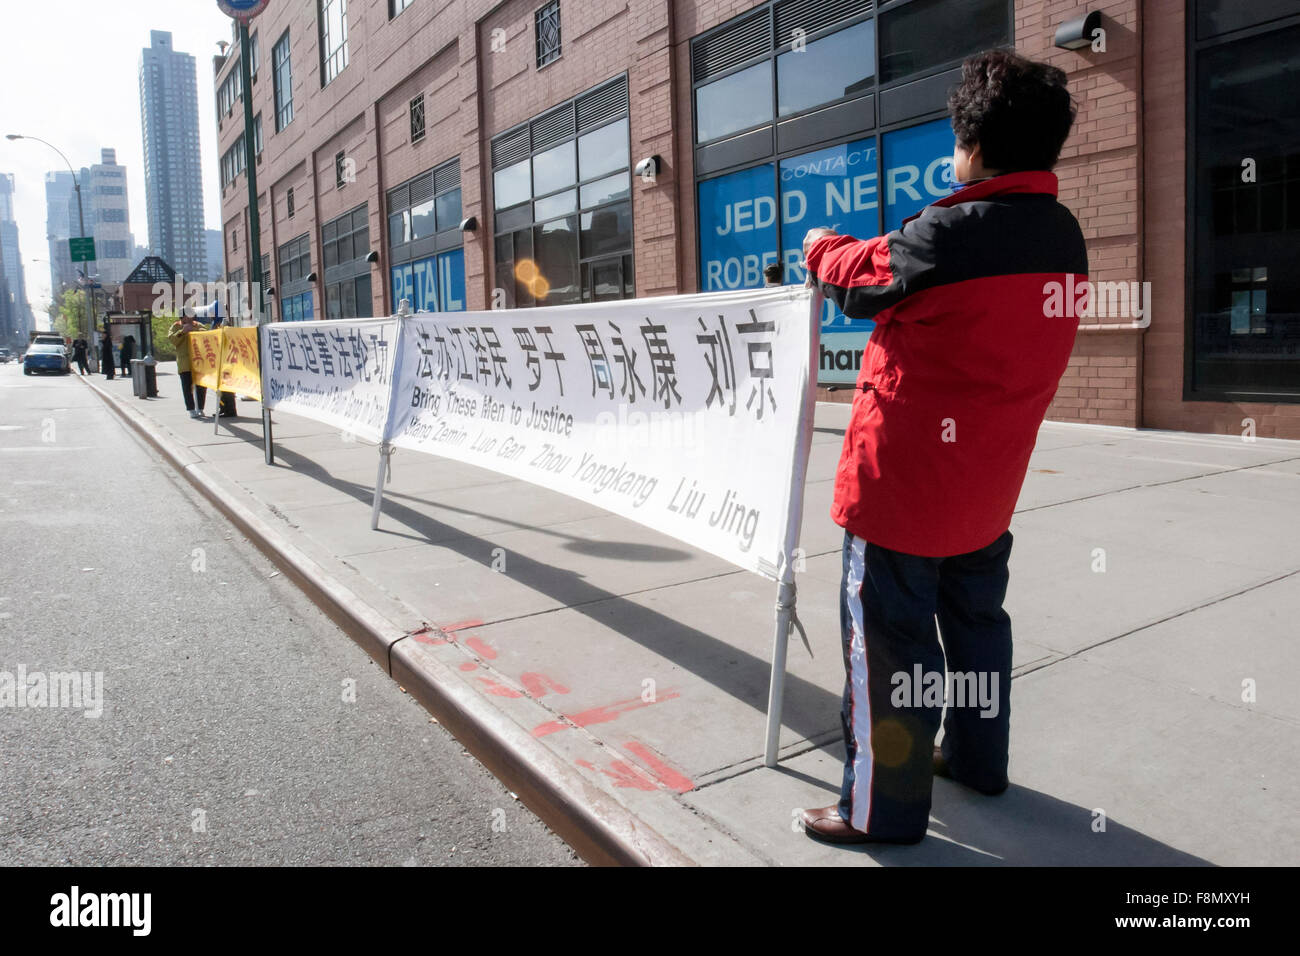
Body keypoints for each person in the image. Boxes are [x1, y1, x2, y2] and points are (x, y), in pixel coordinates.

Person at [798, 50, 1087, 845]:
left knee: (889, 650)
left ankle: (879, 813)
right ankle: (978, 760)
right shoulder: (1065, 238)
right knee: (977, 629)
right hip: (987, 487)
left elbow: (859, 278)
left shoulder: (949, 235)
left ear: (976, 144)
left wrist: (821, 242)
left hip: (902, 489)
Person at [168, 311, 207, 419]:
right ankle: (191, 409)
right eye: (189, 315)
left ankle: (200, 408)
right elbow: (172, 340)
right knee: (187, 387)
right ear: (183, 317)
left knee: (201, 386)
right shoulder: (175, 326)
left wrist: (193, 330)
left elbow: (206, 334)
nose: (192, 317)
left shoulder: (197, 325)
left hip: (199, 362)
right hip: (184, 362)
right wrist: (182, 331)